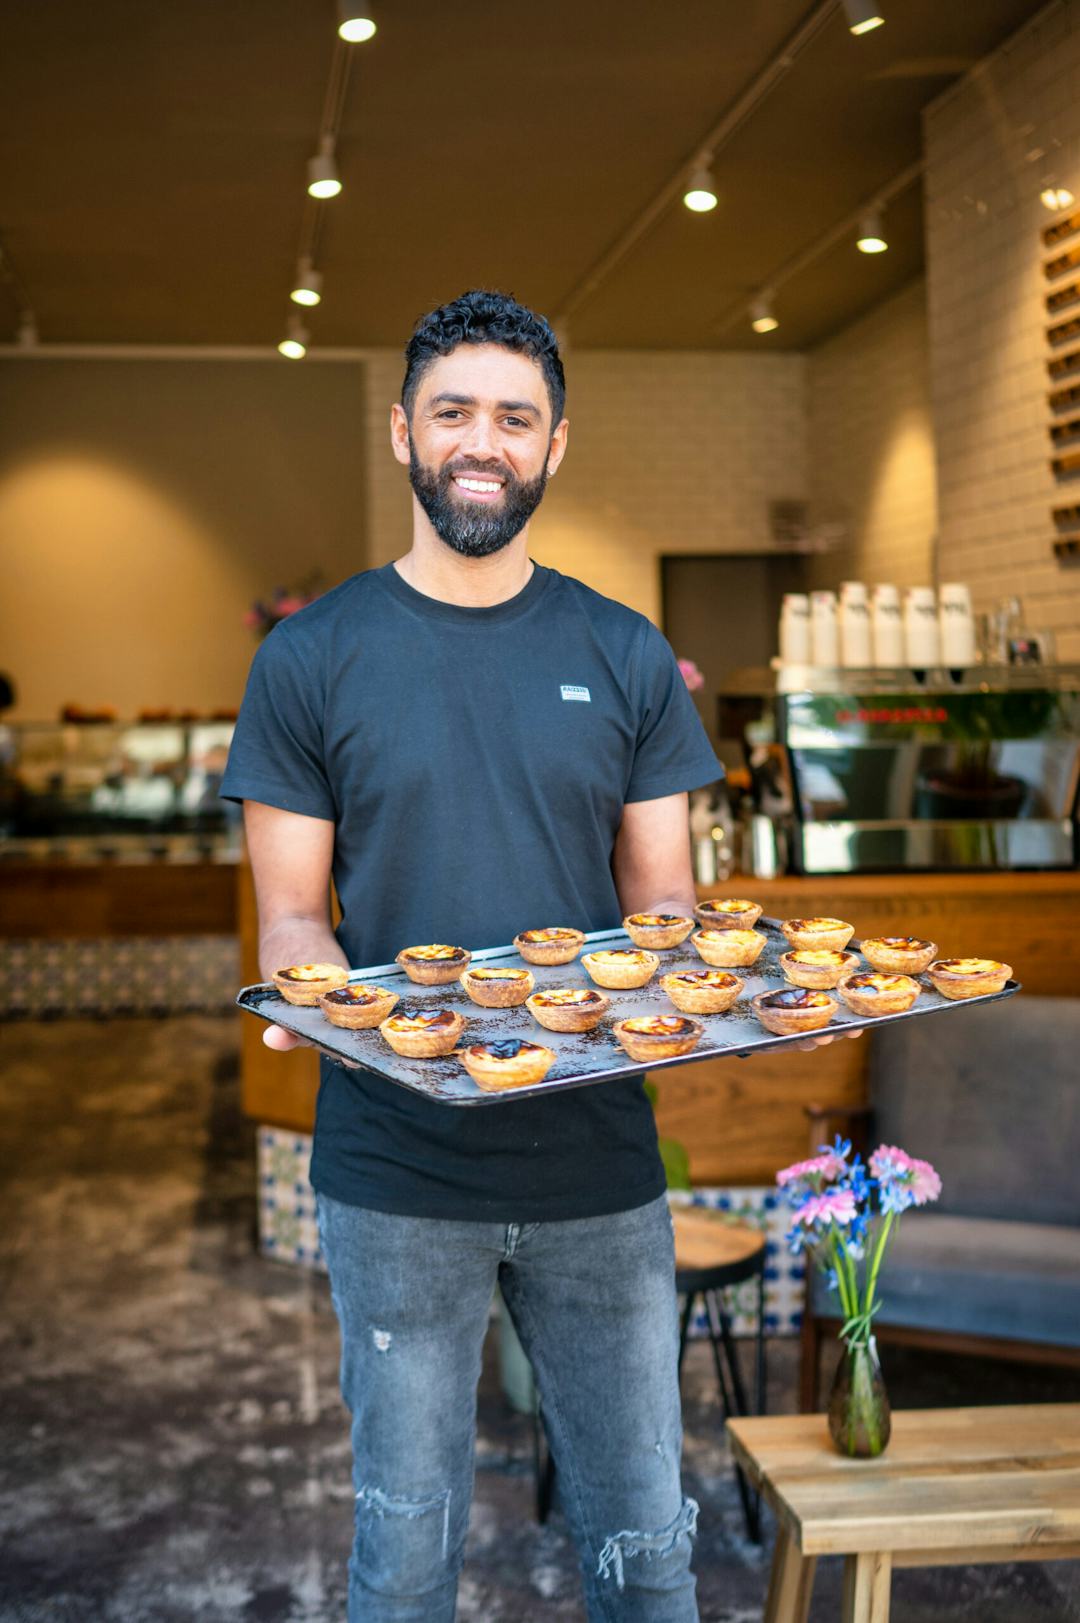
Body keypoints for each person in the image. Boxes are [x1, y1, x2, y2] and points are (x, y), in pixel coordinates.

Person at [221, 290, 841, 1621]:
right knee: (403, 1552)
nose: (481, 442)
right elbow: (290, 916)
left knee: (642, 1542)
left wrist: (755, 994)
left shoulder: (622, 653)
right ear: (405, 433)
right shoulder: (312, 656)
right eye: (454, 413)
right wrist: (313, 999)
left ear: (556, 445)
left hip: (596, 1165)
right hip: (394, 1169)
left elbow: (664, 902)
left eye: (514, 417)